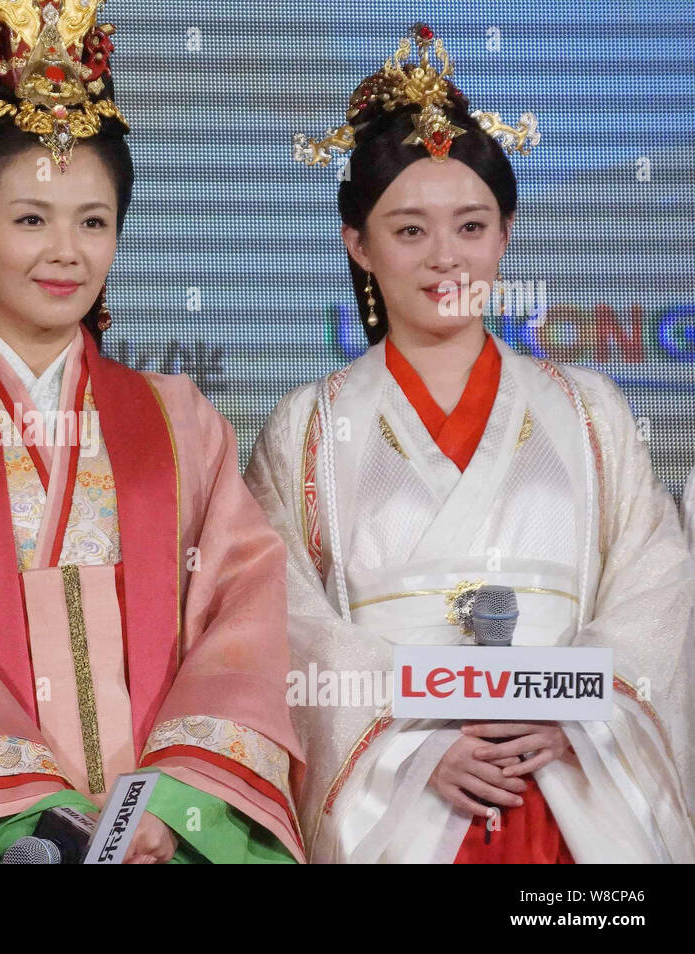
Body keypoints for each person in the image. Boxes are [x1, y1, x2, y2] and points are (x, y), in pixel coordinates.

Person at [0, 0, 303, 864]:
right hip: (1, 843)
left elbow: (243, 618)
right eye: (30, 220)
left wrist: (171, 809)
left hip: (168, 833)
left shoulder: (181, 421)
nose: (67, 253)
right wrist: (42, 822)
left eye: (93, 221)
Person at [247, 23, 695, 863]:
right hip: (402, 794)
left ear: (507, 232)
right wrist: (415, 746)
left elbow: (654, 590)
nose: (445, 256)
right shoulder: (306, 425)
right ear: (358, 243)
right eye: (409, 230)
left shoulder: (589, 408)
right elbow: (286, 622)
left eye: (472, 226)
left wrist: (567, 712)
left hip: (572, 776)